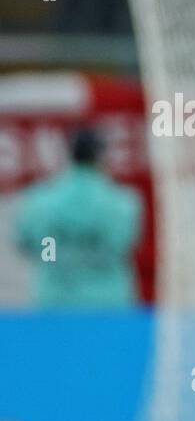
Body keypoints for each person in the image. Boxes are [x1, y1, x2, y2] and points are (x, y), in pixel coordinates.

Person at [15, 127, 142, 308]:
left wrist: (54, 255)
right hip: (108, 305)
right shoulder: (123, 204)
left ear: (68, 154)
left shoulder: (40, 203)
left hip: (55, 302)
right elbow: (122, 245)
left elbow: (27, 243)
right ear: (102, 157)